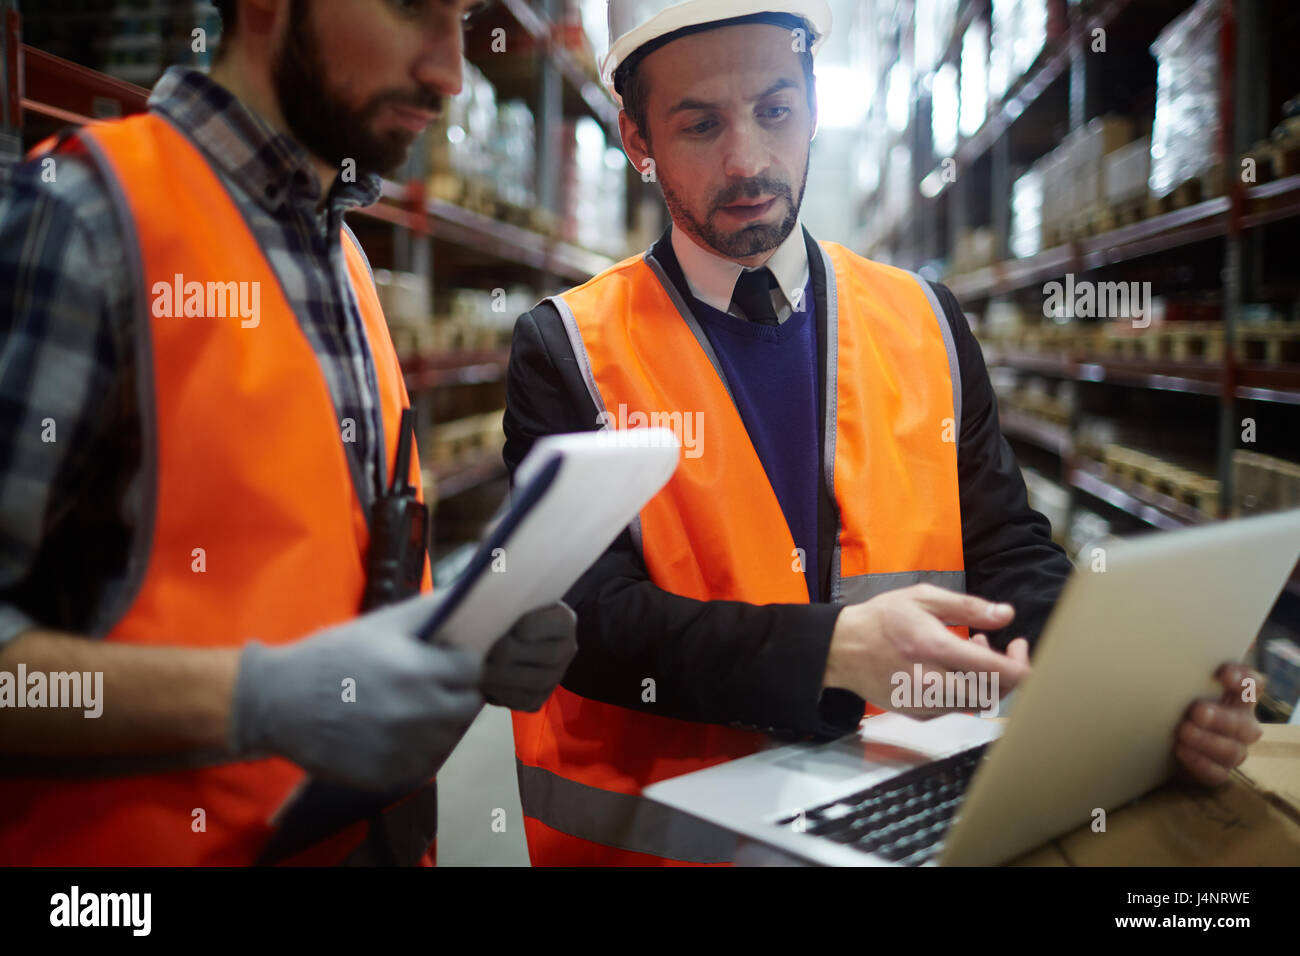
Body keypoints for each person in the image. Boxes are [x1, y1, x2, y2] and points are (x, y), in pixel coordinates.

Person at [502, 0, 1264, 866]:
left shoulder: (924, 319)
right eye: (700, 124)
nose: (748, 158)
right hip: (664, 844)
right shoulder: (569, 347)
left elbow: (1008, 553)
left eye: (777, 110)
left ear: (815, 106)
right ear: (637, 141)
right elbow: (583, 618)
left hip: (899, 818)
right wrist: (829, 652)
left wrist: (1144, 686)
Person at [0, 0, 575, 865]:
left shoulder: (340, 257)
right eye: (415, 9)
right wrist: (253, 702)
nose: (451, 72)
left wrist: (457, 639)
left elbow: (313, 565)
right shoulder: (86, 220)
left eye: (463, 20)